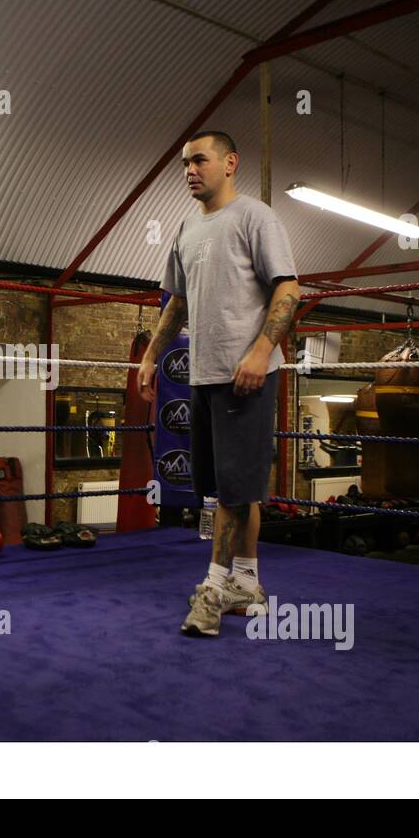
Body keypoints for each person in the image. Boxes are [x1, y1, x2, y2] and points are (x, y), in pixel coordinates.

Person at [138, 131, 300, 637]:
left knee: (232, 489)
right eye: (185, 163)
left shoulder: (255, 217)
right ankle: (248, 583)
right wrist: (150, 356)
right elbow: (177, 304)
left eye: (200, 160)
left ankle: (212, 588)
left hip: (245, 376)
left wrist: (260, 351)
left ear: (230, 163)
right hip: (205, 376)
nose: (190, 169)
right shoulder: (187, 228)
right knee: (229, 487)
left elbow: (290, 290)